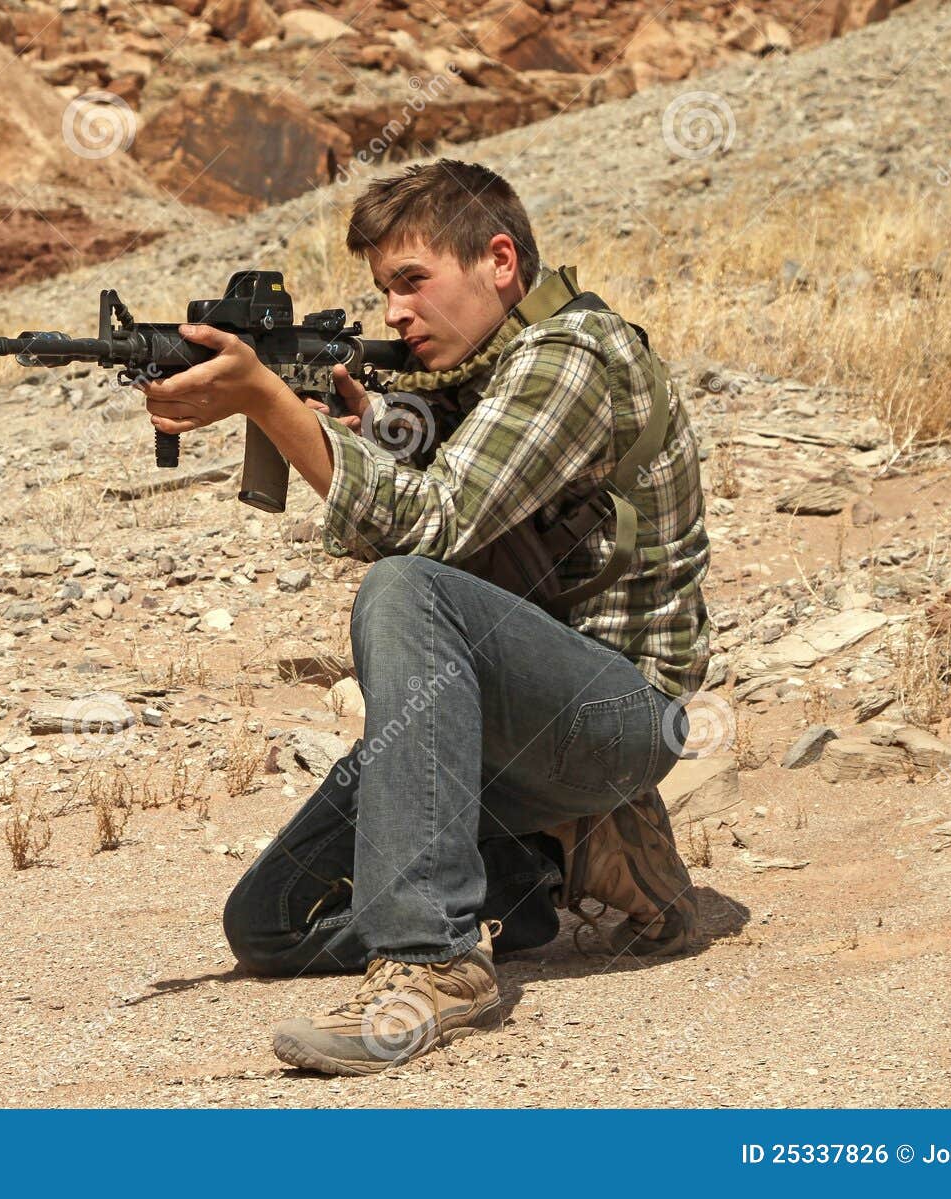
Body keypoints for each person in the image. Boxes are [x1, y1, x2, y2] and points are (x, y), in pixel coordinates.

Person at [138, 158, 711, 1076]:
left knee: (401, 586)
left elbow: (428, 531)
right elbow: (446, 510)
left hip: (618, 718)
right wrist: (360, 430)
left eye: (413, 282)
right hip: (497, 726)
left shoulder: (571, 356)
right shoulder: (470, 374)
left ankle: (433, 959)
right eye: (383, 291)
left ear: (498, 261)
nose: (395, 313)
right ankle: (547, 875)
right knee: (269, 922)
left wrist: (268, 402)